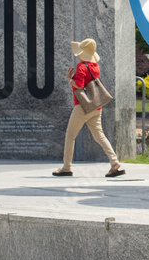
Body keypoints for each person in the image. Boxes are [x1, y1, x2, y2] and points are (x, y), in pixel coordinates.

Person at [52, 39, 125, 178]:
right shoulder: (95, 66)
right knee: (99, 135)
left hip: (82, 107)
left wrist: (69, 79)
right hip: (96, 106)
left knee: (70, 135)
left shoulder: (81, 66)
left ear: (82, 53)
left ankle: (66, 167)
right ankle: (114, 162)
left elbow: (79, 85)